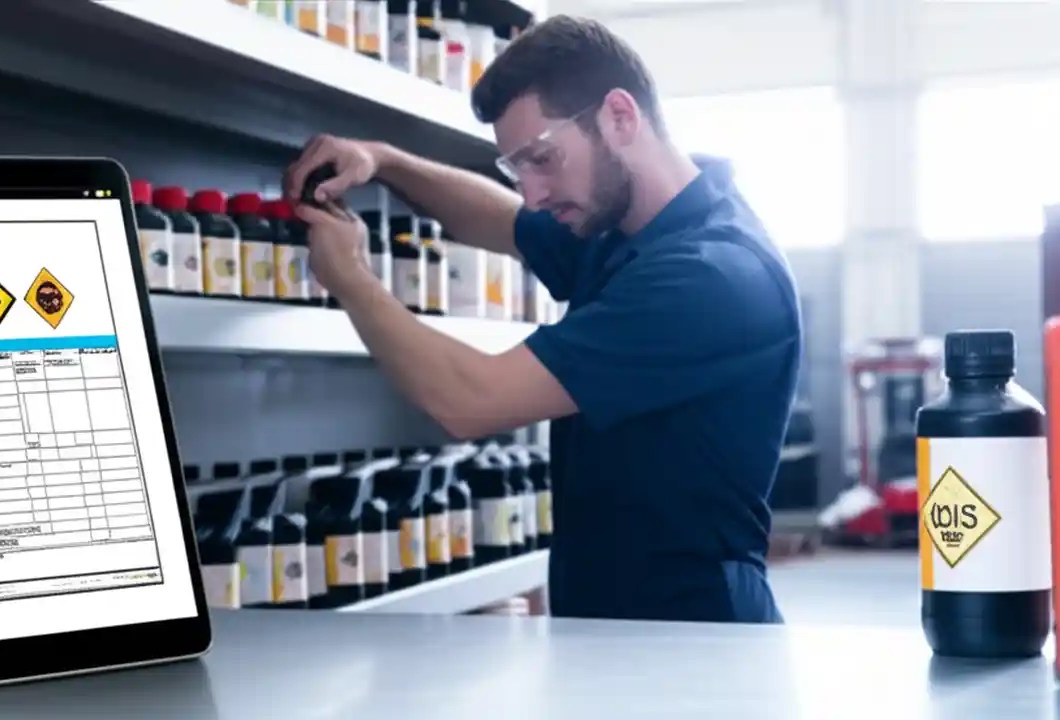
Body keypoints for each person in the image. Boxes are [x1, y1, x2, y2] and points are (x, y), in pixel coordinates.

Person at [284, 16, 801, 623]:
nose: (533, 192)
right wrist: (385, 161)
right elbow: (499, 218)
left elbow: (468, 399)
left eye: (542, 159)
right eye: (517, 168)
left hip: (692, 635)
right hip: (613, 624)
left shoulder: (708, 277)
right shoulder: (628, 227)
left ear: (620, 116)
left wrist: (350, 276)